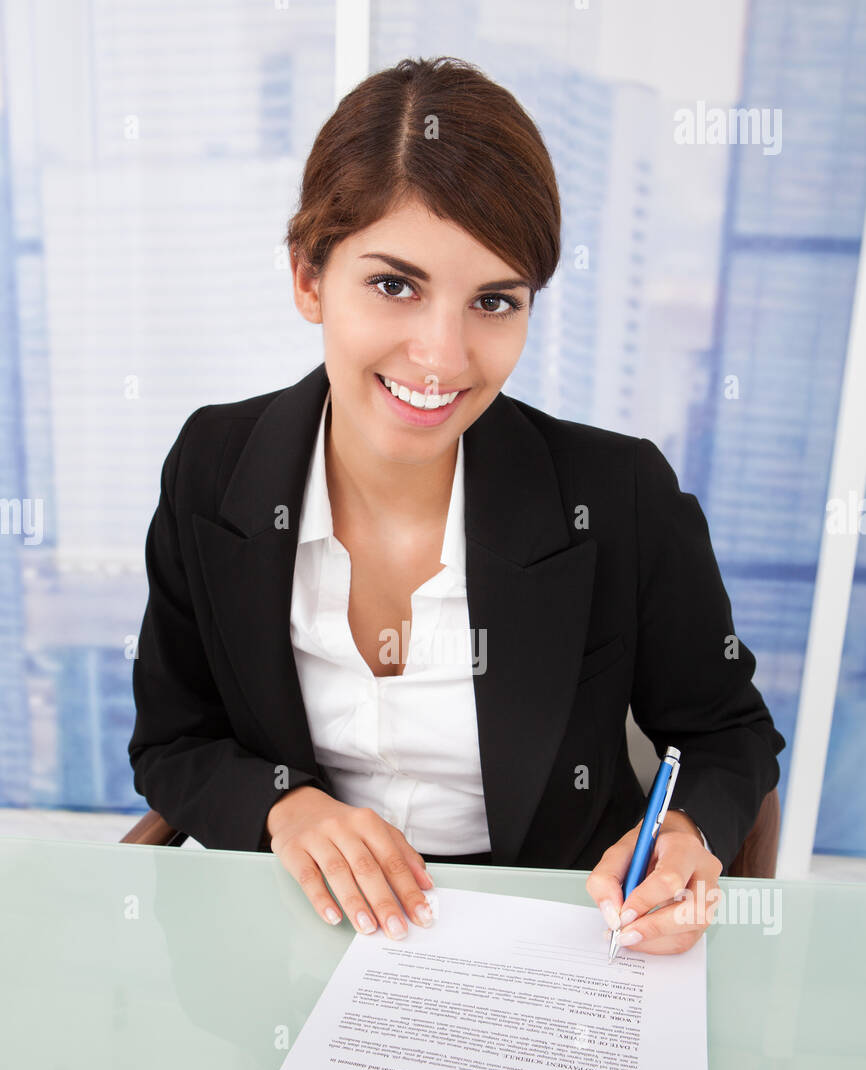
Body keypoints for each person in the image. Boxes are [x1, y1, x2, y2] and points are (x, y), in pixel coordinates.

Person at [128, 56, 785, 957]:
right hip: (297, 938)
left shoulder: (617, 494)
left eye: (493, 301)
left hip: (557, 943)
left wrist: (688, 837)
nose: (441, 355)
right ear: (308, 279)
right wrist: (285, 806)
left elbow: (727, 731)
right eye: (394, 284)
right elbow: (173, 739)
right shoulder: (213, 467)